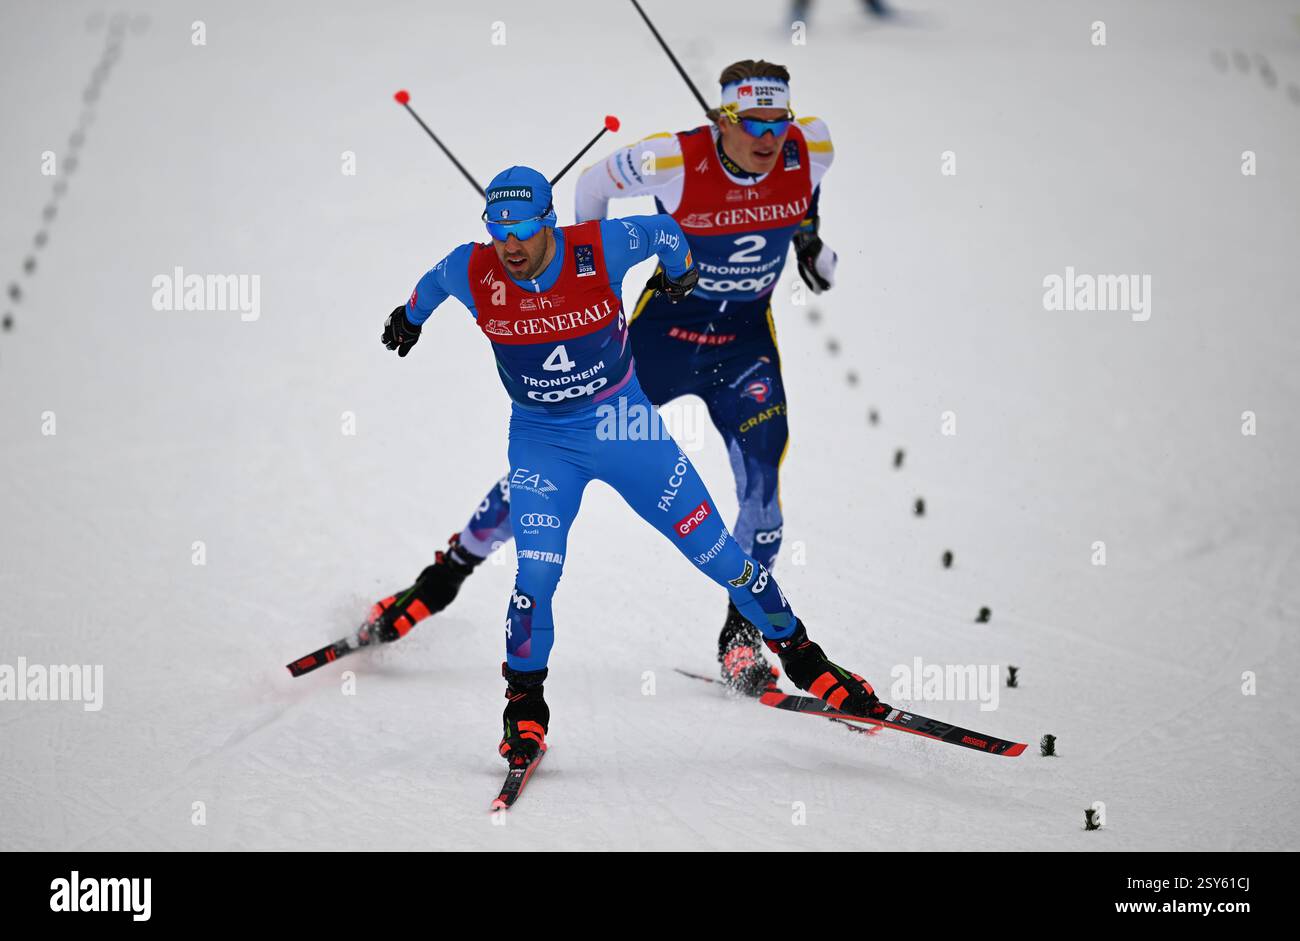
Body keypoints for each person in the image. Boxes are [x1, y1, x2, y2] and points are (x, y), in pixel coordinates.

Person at [368, 61, 842, 698]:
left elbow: (804, 187)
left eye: (778, 120)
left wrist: (809, 237)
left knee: (763, 485)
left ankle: (744, 635)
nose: (769, 135)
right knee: (553, 456)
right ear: (720, 118)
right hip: (655, 343)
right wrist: (579, 263)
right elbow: (592, 189)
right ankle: (449, 572)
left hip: (743, 348)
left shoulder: (811, 146)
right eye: (752, 121)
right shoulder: (670, 159)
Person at [378, 166, 882, 764]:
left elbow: (668, 232)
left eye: (520, 230)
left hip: (625, 426)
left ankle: (804, 658)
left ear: (548, 222)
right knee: (536, 576)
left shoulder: (599, 246)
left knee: (717, 552)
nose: (509, 246)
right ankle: (525, 706)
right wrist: (408, 317)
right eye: (497, 231)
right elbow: (430, 285)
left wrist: (682, 275)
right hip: (543, 441)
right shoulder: (472, 267)